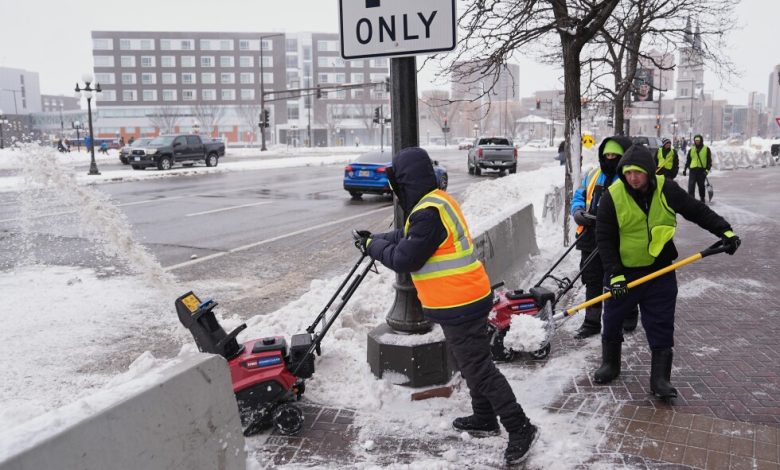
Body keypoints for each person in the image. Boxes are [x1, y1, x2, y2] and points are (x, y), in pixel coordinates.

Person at [353, 147, 538, 465]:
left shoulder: (426, 213)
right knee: (473, 365)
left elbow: (405, 258)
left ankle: (521, 428)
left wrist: (373, 247)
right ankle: (484, 417)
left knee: (480, 370)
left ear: (405, 182)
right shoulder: (437, 201)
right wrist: (377, 237)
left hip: (461, 303)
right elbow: (406, 236)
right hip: (467, 297)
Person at [593, 145, 740, 399]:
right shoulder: (612, 196)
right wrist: (615, 274)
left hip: (659, 271)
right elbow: (604, 239)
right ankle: (611, 364)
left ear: (649, 172)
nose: (632, 178)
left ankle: (660, 379)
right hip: (623, 273)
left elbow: (696, 210)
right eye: (627, 173)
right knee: (613, 318)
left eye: (637, 173)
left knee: (660, 322)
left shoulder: (666, 189)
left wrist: (724, 230)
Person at [570, 137, 639, 340]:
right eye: (607, 155)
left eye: (615, 156)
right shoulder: (593, 174)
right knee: (592, 279)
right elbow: (579, 195)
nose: (610, 159)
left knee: (618, 279)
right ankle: (591, 322)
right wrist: (578, 210)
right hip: (590, 235)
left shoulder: (628, 179)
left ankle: (628, 313)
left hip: (617, 240)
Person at [683, 134, 712, 203]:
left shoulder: (706, 149)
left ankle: (702, 199)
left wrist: (706, 171)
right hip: (693, 170)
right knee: (691, 186)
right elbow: (688, 160)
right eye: (696, 141)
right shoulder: (692, 149)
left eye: (698, 140)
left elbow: (709, 162)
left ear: (701, 140)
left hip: (701, 171)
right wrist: (685, 169)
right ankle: (691, 200)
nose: (697, 142)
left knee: (701, 186)